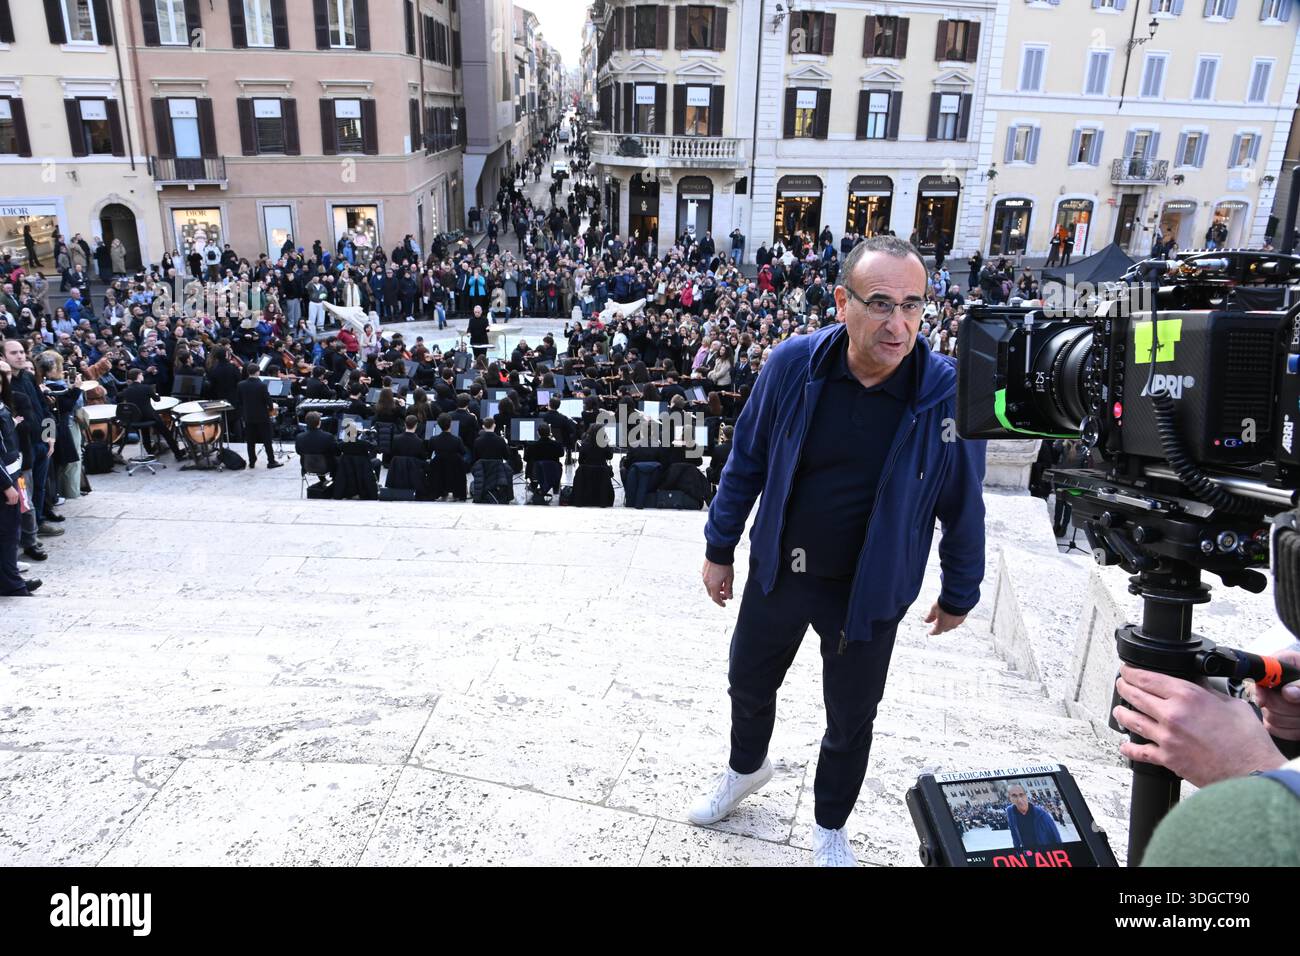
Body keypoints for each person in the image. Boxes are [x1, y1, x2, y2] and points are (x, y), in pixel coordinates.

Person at [691, 235, 988, 867]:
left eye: (913, 305)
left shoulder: (947, 393)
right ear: (841, 302)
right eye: (880, 302)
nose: (899, 322)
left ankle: (831, 825)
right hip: (781, 571)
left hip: (869, 589)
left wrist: (961, 589)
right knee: (747, 681)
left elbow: (964, 502)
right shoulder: (792, 365)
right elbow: (745, 461)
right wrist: (721, 546)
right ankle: (747, 769)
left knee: (850, 718)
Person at [236, 365, 282, 469]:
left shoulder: (241, 385)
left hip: (248, 416)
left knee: (250, 440)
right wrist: (270, 408)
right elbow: (268, 401)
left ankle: (252, 461)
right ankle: (271, 461)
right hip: (262, 416)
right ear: (258, 372)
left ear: (248, 372)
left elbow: (239, 401)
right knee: (267, 439)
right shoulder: (261, 386)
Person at [1004, 783, 1062, 851]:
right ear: (1009, 798)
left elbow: (1056, 837)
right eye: (1014, 796)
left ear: (1026, 795)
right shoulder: (1010, 811)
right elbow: (1014, 833)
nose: (1019, 799)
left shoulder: (1042, 814)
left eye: (1021, 795)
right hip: (1027, 853)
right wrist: (1018, 851)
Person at [295, 411, 339, 486]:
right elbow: (336, 452)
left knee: (316, 456)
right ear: (319, 423)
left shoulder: (299, 437)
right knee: (340, 459)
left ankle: (324, 481)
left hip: (307, 467)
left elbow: (298, 452)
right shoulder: (328, 436)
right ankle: (336, 484)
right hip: (326, 467)